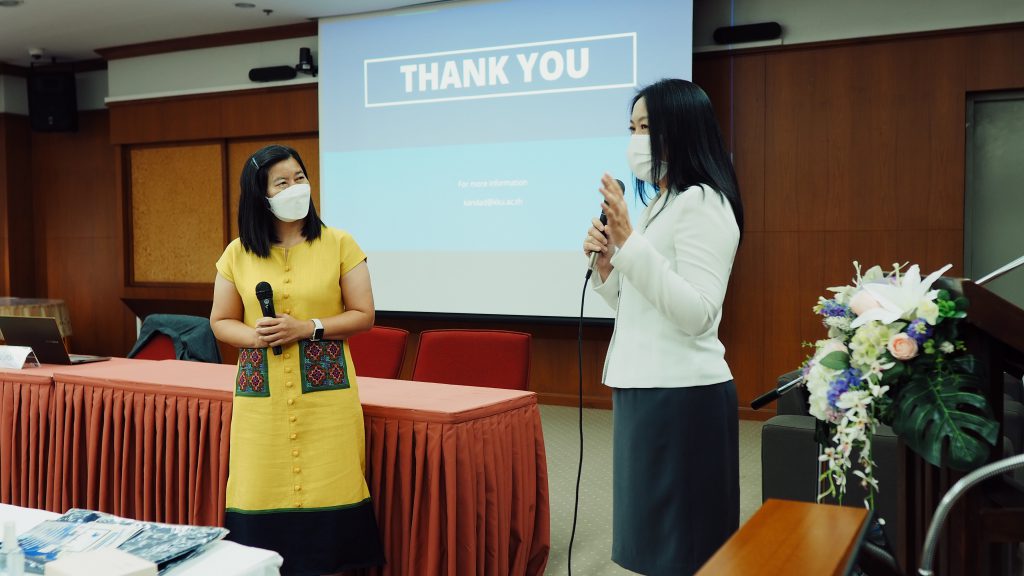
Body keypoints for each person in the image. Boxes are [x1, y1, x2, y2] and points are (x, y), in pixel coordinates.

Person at [583, 79, 744, 575]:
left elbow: (698, 312)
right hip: (643, 387)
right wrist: (610, 265)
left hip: (683, 395)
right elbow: (640, 304)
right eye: (631, 128)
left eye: (646, 127)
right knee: (649, 547)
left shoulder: (704, 202)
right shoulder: (660, 202)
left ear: (681, 128)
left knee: (684, 549)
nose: (635, 140)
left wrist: (631, 246)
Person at [210, 144, 385, 575]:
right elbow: (219, 321)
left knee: (332, 484)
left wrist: (308, 328)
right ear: (260, 195)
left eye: (300, 178)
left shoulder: (340, 243)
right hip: (260, 400)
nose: (295, 188)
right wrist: (256, 335)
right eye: (282, 182)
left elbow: (364, 315)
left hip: (325, 398)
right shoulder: (237, 253)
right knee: (258, 488)